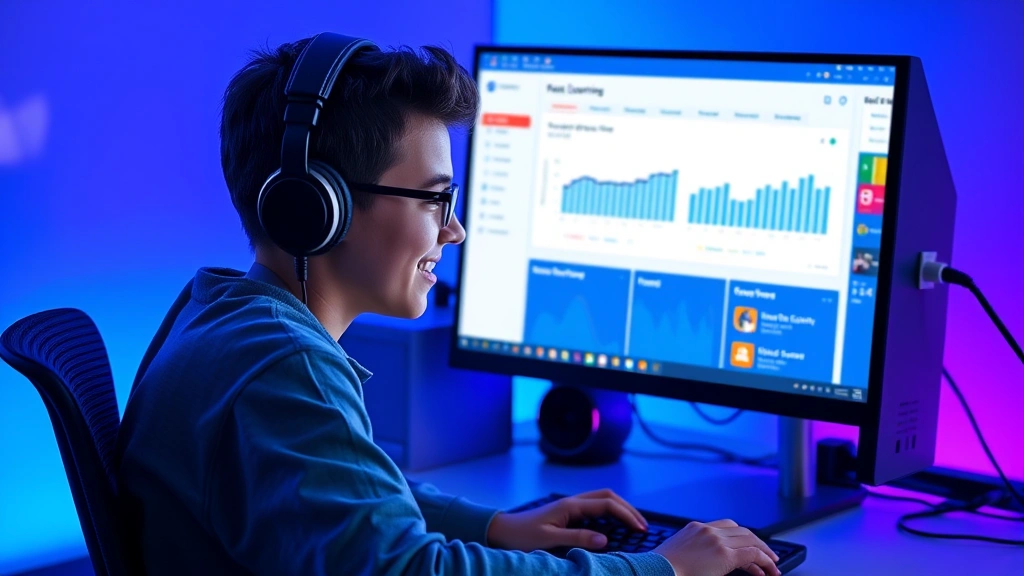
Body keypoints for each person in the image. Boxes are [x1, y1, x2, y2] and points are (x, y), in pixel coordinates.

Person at [114, 33, 781, 576]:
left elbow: (352, 504)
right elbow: (408, 572)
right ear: (317, 206)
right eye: (435, 198)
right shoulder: (286, 369)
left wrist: (494, 526)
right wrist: (664, 570)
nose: (453, 230)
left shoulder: (222, 314)